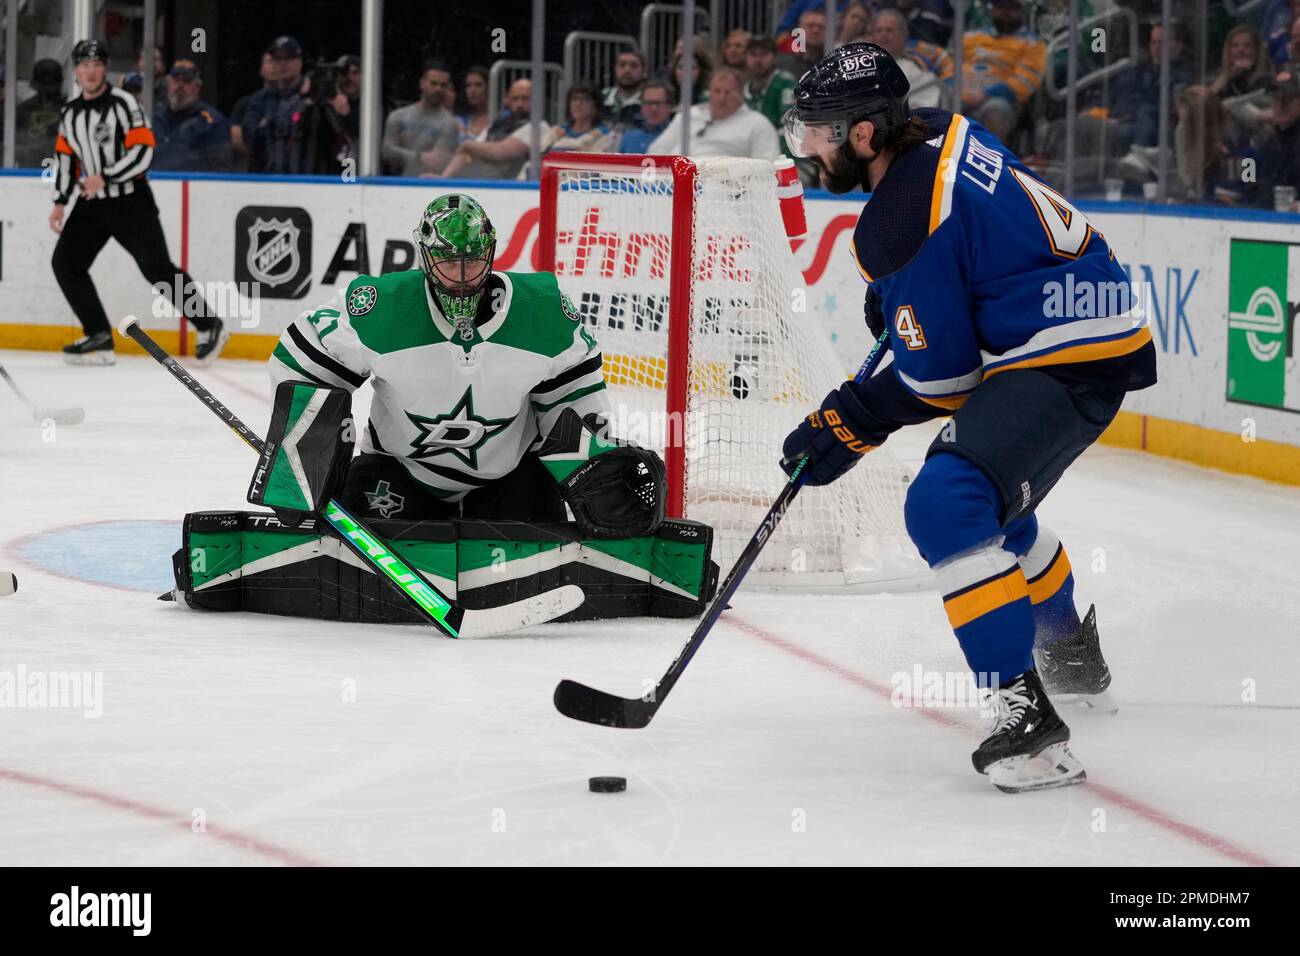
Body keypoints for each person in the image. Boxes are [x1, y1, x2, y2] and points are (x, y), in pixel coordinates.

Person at [780, 43, 1155, 792]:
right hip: (1087, 324)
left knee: (947, 500)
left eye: (820, 133)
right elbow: (980, 236)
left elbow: (942, 380)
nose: (807, 151)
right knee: (987, 500)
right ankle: (1067, 647)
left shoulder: (894, 221)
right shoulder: (937, 127)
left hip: (1064, 355)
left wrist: (847, 421)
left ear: (864, 136)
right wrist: (908, 292)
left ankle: (1028, 722)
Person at [49, 40, 227, 365]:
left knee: (157, 269)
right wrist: (60, 201)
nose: (90, 71)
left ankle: (210, 325)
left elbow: (144, 152)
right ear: (76, 70)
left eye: (96, 64)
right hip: (92, 204)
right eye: (84, 65)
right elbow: (65, 158)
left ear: (104, 69)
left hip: (131, 201)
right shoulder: (70, 113)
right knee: (66, 263)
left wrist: (106, 176)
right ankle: (99, 335)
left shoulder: (124, 103)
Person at [960, 0, 1046, 143]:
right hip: (962, 92)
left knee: (995, 112)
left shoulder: (1033, 44)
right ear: (993, 10)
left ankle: (989, 160)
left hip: (1001, 99)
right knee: (935, 104)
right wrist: (955, 88)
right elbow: (951, 66)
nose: (1005, 12)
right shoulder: (971, 37)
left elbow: (1024, 82)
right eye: (1001, 7)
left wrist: (986, 94)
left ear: (1021, 11)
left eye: (1011, 8)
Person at [650, 67, 780, 160]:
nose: (722, 98)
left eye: (728, 92)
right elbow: (657, 151)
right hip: (671, 185)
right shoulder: (687, 116)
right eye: (717, 91)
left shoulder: (758, 124)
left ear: (740, 94)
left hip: (725, 191)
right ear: (709, 92)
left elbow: (768, 166)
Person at [440, 78, 543, 179]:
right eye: (515, 99)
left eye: (525, 98)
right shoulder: (498, 124)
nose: (519, 104)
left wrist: (467, 144)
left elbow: (498, 152)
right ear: (508, 101)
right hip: (481, 183)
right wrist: (443, 178)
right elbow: (466, 151)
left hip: (512, 188)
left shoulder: (540, 127)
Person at [382, 60, 462, 176]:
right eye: (433, 83)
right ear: (422, 84)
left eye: (443, 85)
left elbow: (437, 161)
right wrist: (419, 157)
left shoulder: (450, 123)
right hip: (396, 183)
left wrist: (402, 154)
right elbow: (387, 152)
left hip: (429, 185)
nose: (438, 89)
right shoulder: (397, 117)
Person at [152, 60, 233, 172]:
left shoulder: (212, 122)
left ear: (197, 87)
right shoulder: (153, 118)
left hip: (195, 187)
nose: (180, 86)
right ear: (168, 83)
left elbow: (221, 171)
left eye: (186, 81)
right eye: (176, 80)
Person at [241, 35, 306, 173]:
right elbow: (249, 138)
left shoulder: (311, 95)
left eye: (288, 58)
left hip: (306, 180)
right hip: (265, 179)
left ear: (299, 62)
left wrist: (267, 122)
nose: (283, 64)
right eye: (277, 59)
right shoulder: (260, 99)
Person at [869, 7, 946, 109]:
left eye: (889, 30)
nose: (883, 34)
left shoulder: (917, 68)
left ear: (904, 34)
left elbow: (927, 108)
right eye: (879, 31)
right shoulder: (860, 67)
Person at [1256, 65, 1300, 209]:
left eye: (1289, 98)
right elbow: (1247, 171)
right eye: (1276, 98)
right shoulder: (1267, 141)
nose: (1281, 104)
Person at [14, 59, 66, 169]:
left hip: (63, 170)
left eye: (51, 90)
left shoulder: (69, 110)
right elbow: (14, 146)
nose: (47, 95)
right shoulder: (23, 110)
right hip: (28, 173)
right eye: (44, 90)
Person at [230, 52, 275, 168]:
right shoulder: (246, 103)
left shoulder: (299, 101)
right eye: (269, 62)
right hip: (258, 172)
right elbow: (237, 140)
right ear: (261, 69)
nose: (274, 66)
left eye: (277, 61)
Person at [744, 37, 797, 132]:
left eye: (764, 54)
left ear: (775, 58)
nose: (758, 60)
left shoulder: (785, 82)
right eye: (753, 54)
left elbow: (790, 126)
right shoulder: (743, 85)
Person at [547, 83, 615, 153]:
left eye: (585, 99)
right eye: (574, 99)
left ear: (596, 105)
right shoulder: (557, 131)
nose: (578, 104)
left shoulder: (605, 134)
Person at [617, 80, 674, 152]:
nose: (654, 108)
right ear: (642, 107)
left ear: (669, 106)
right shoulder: (628, 137)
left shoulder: (678, 137)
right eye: (649, 103)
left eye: (658, 103)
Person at [600, 49, 646, 126]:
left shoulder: (650, 101)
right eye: (622, 65)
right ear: (615, 69)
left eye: (634, 66)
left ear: (644, 72)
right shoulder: (602, 97)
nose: (627, 70)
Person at [777, 8, 828, 77]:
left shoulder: (833, 62)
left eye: (821, 27)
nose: (815, 30)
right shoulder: (783, 62)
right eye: (810, 26)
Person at [456, 66, 491, 141]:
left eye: (478, 85)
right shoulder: (462, 120)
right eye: (468, 86)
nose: (472, 90)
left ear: (489, 87)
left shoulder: (503, 117)